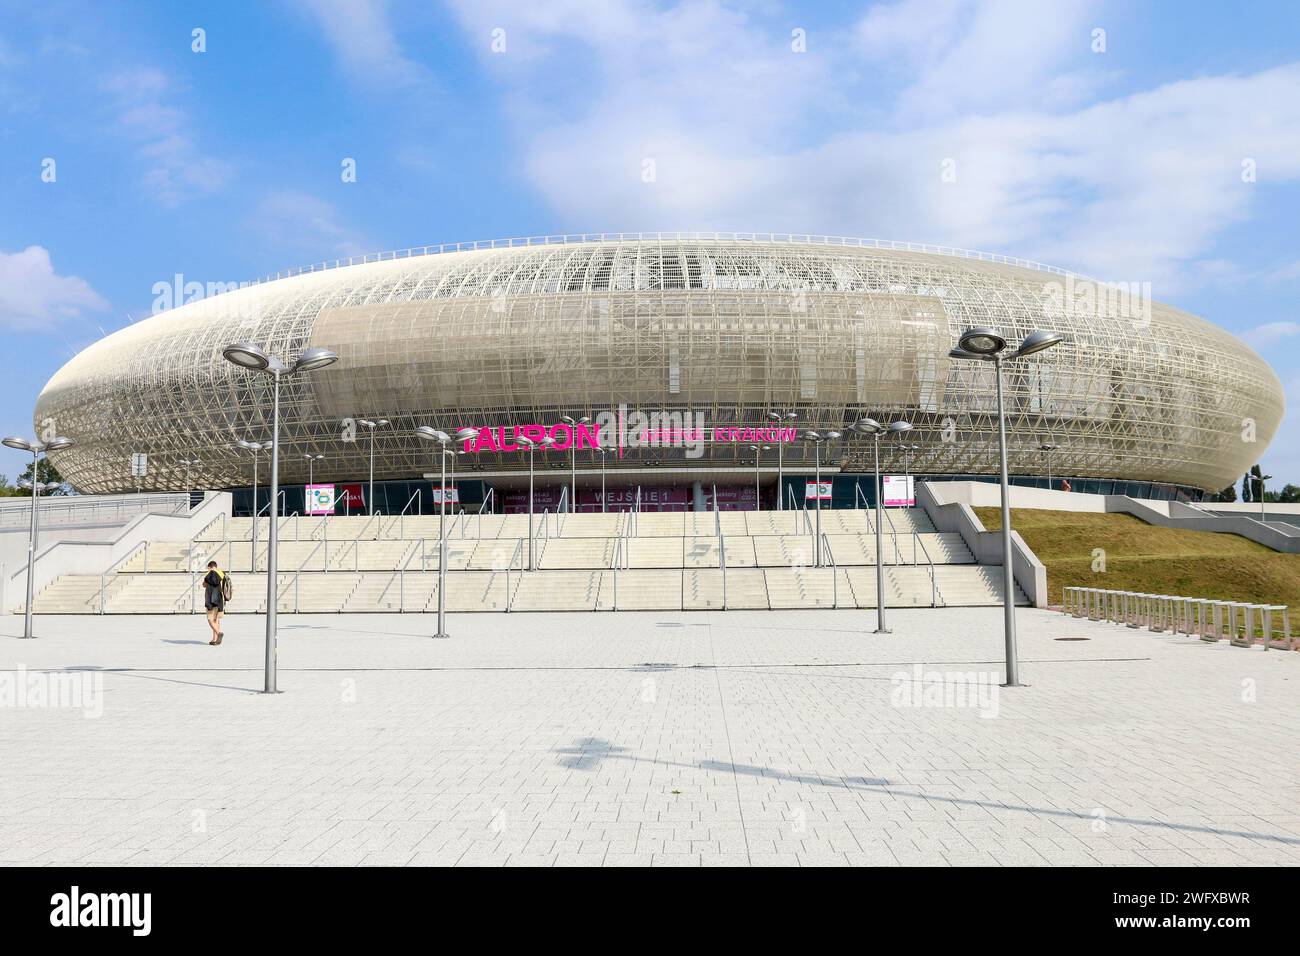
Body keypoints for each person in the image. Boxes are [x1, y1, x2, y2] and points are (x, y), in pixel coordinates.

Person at [203, 560, 226, 645]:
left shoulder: (208, 574)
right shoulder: (222, 574)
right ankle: (215, 639)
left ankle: (219, 633)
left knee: (210, 619)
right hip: (219, 600)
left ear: (210, 567)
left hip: (210, 600)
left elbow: (204, 585)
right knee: (216, 619)